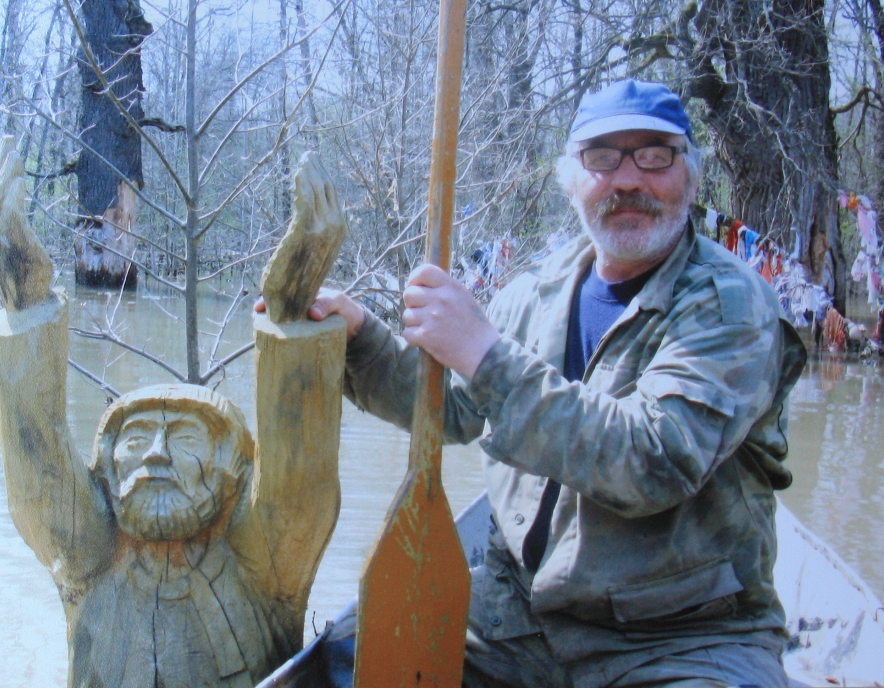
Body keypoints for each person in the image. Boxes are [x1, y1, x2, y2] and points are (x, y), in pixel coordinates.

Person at [301, 80, 807, 687]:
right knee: (345, 664)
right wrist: (358, 337)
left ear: (690, 179)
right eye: (602, 157)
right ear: (572, 181)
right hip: (518, 621)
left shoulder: (733, 306)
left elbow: (654, 459)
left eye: (654, 154)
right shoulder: (532, 292)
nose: (627, 179)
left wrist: (482, 352)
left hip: (680, 639)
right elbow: (452, 411)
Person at [0, 138, 338, 688]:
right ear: (107, 467)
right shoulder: (92, 558)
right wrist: (26, 305)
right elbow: (40, 479)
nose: (155, 453)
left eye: (187, 438)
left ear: (231, 469)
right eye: (138, 436)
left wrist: (291, 315)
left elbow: (300, 485)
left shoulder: (261, 564)